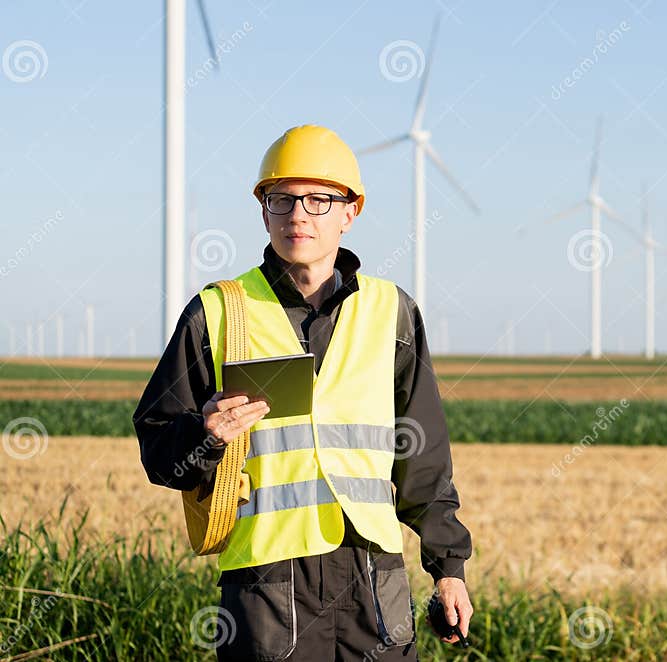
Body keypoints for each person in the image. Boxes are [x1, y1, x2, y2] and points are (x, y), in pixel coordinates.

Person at [133, 124, 473, 660]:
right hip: (267, 584)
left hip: (372, 577)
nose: (298, 214)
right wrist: (206, 434)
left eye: (318, 200)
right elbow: (158, 451)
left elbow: (422, 454)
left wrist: (448, 569)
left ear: (350, 211)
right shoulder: (217, 313)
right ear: (262, 210)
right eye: (282, 199)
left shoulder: (394, 313)